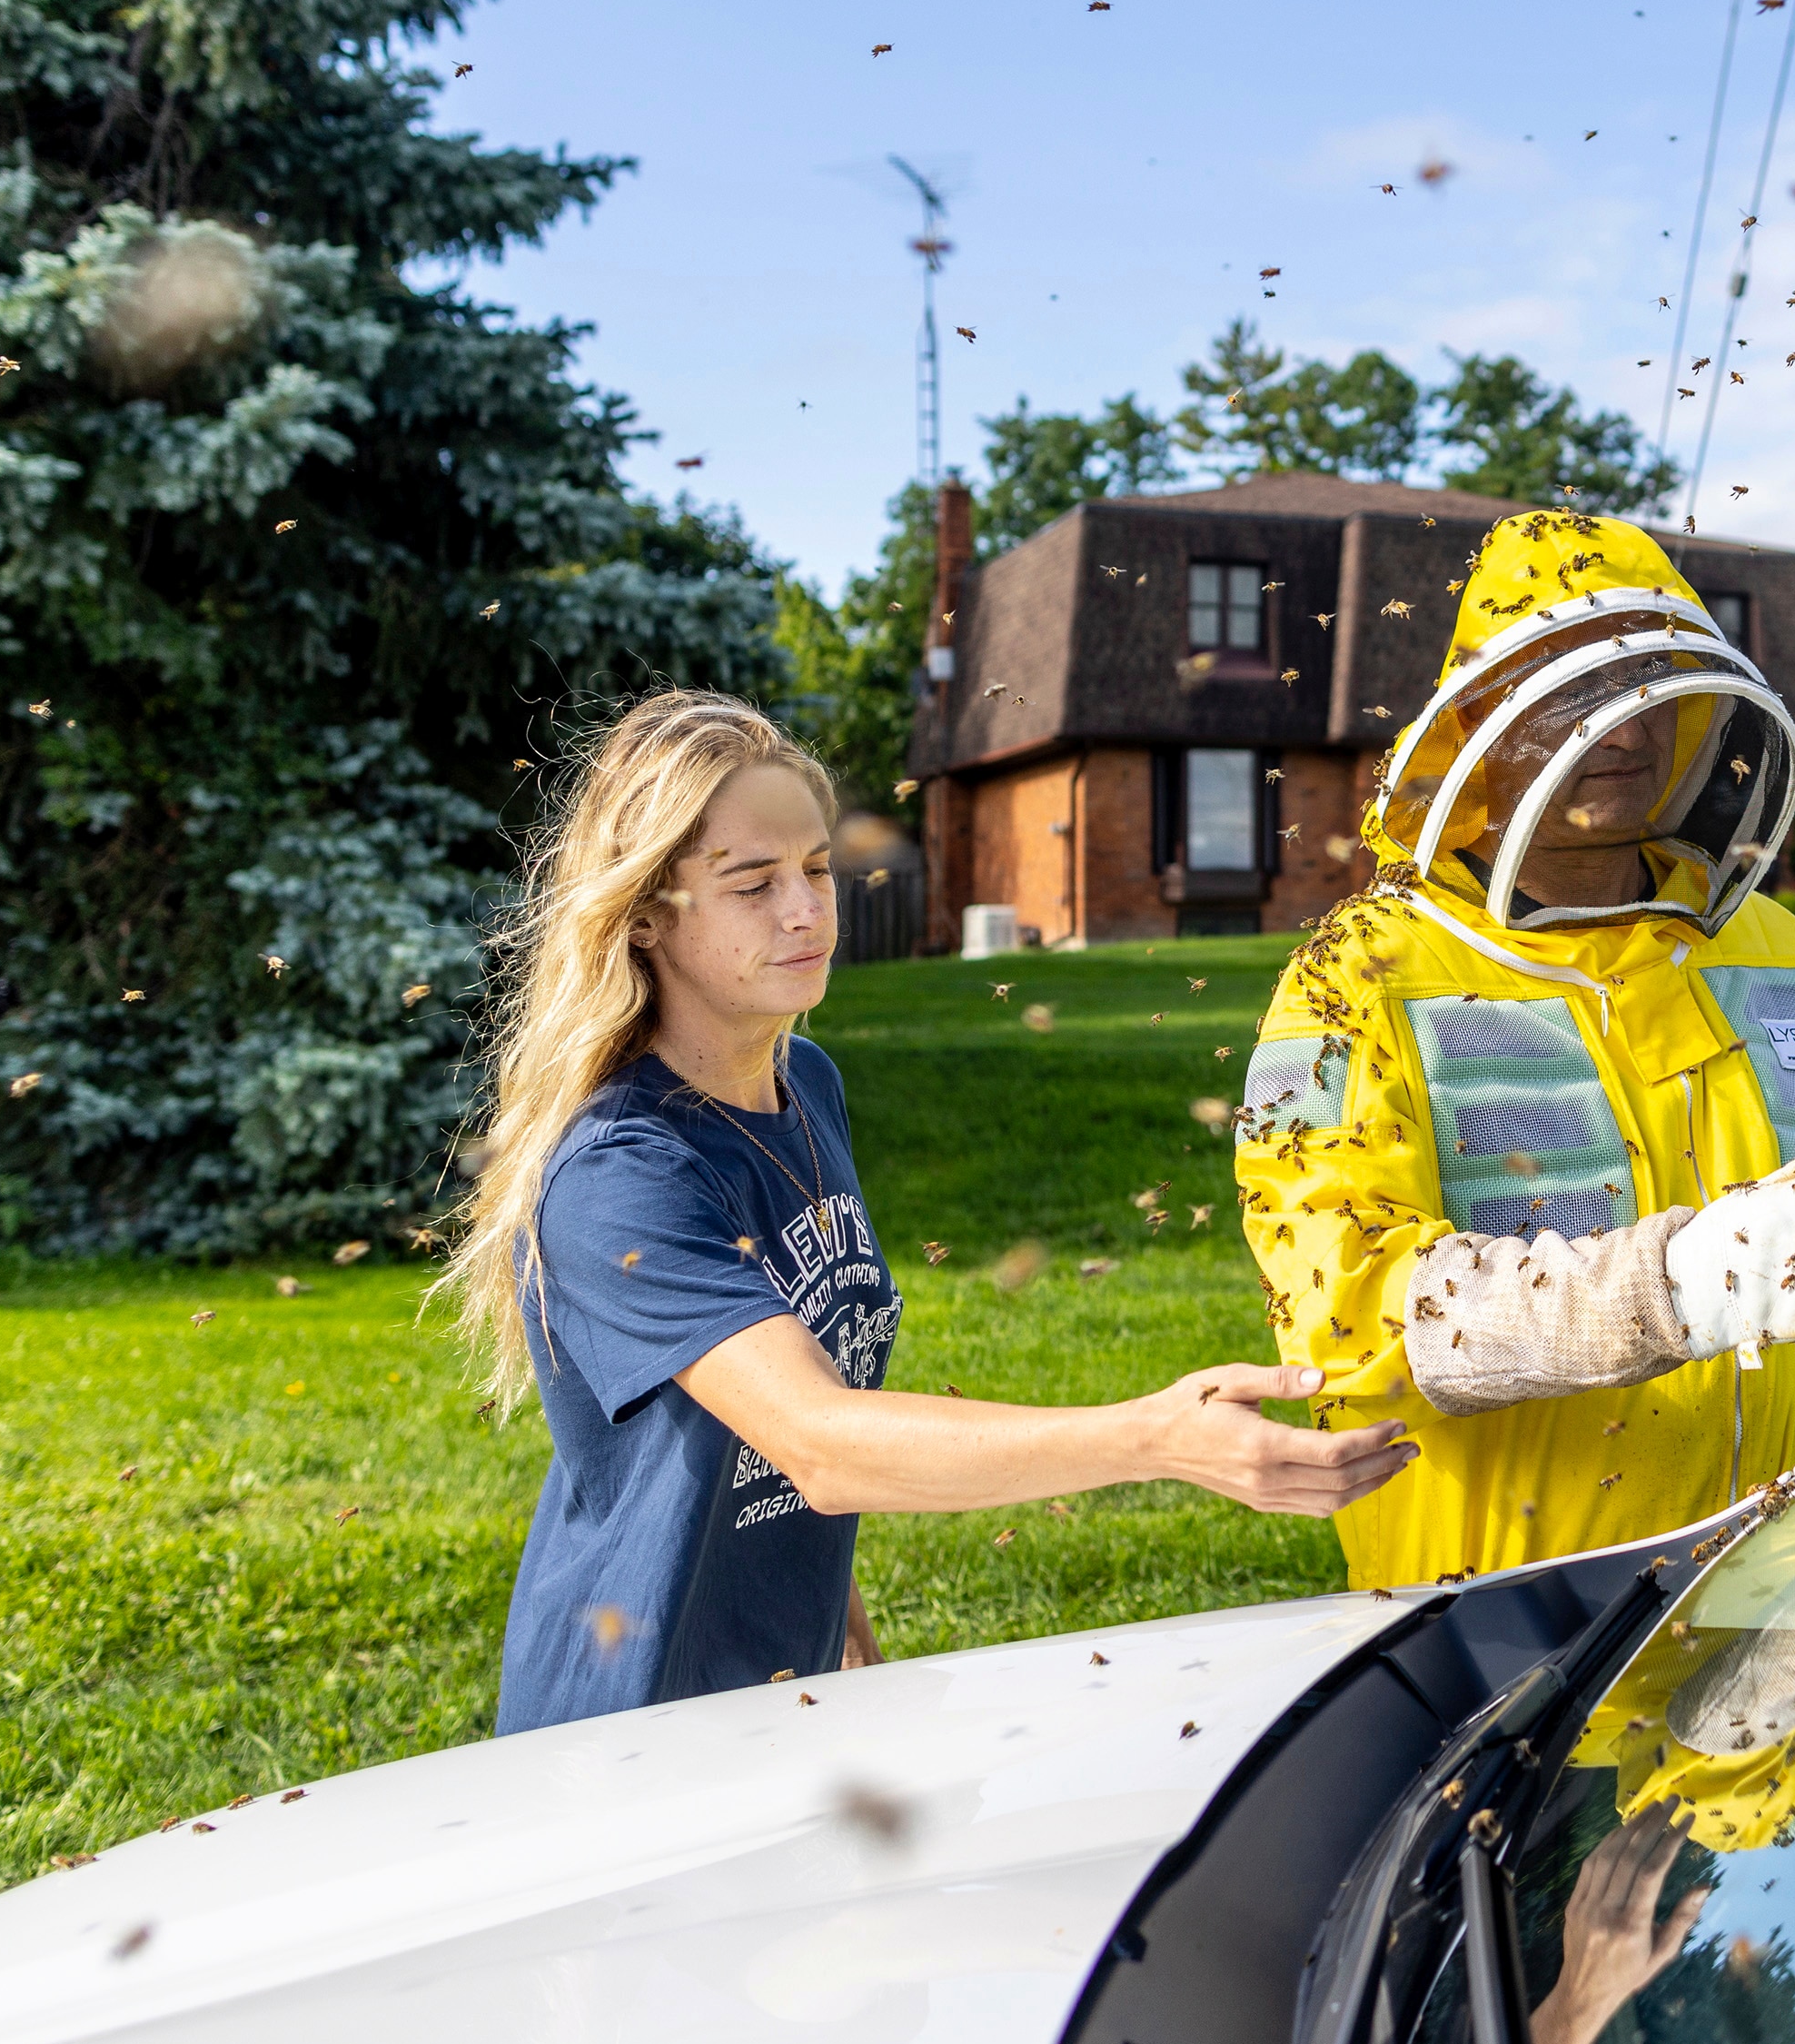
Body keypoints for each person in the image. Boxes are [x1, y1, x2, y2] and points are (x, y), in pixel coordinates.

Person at [437, 690, 1413, 1733]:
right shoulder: (620, 1170)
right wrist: (1158, 1438)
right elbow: (818, 1438)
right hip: (627, 1729)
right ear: (642, 918)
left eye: (814, 867)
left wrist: (825, 1600)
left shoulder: (804, 1083)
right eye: (751, 884)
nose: (806, 910)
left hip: (780, 1695)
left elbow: (782, 1401)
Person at [1238, 509, 1795, 1591]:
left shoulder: (1778, 947)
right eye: (1568, 691)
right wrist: (1680, 1285)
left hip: (1791, 1589)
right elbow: (1346, 1315)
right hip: (1510, 1622)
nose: (1617, 729)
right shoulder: (1360, 976)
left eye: (1643, 682)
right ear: (1479, 718)